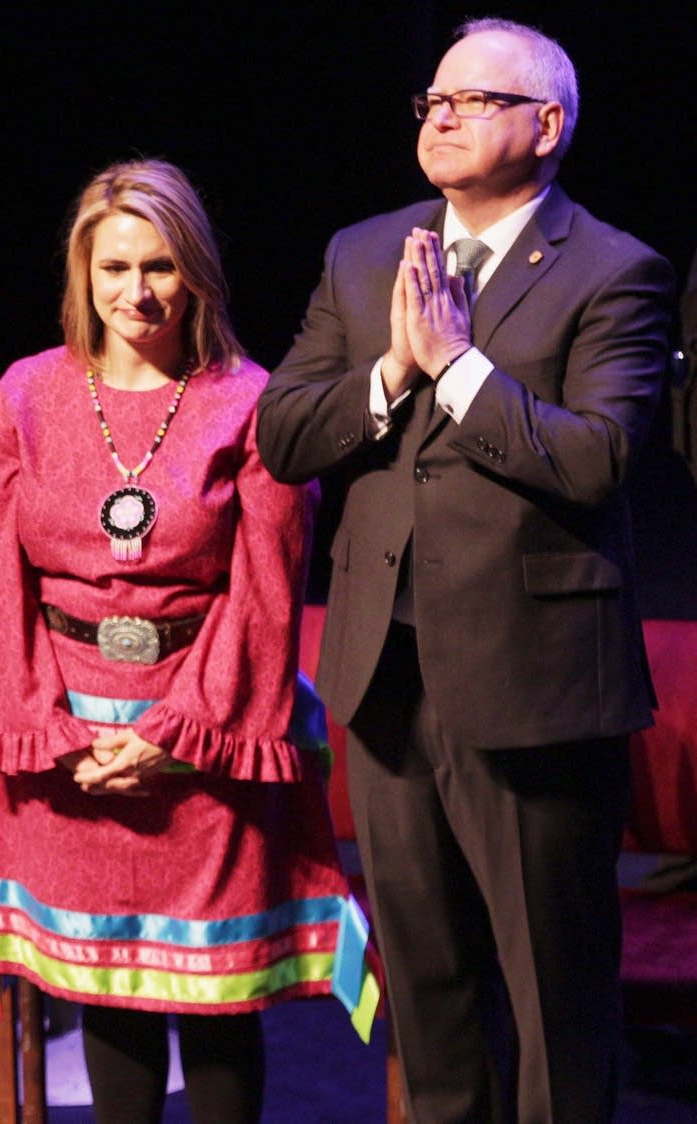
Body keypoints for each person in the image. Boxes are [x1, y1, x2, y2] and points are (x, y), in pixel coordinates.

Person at [256, 19, 673, 1121]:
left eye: (471, 101)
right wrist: (391, 367)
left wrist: (457, 368)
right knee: (427, 982)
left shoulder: (613, 270)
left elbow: (598, 459)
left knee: (550, 988)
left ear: (546, 127)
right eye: (430, 102)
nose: (438, 116)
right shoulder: (363, 252)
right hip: (382, 673)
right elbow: (283, 434)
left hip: (532, 682)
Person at [0, 160, 351, 1123]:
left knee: (213, 1002)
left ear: (197, 273)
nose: (138, 292)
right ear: (82, 276)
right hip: (68, 741)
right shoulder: (27, 394)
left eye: (160, 266)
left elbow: (265, 591)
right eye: (115, 267)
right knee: (106, 990)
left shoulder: (252, 402)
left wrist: (180, 731)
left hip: (207, 733)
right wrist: (43, 729)